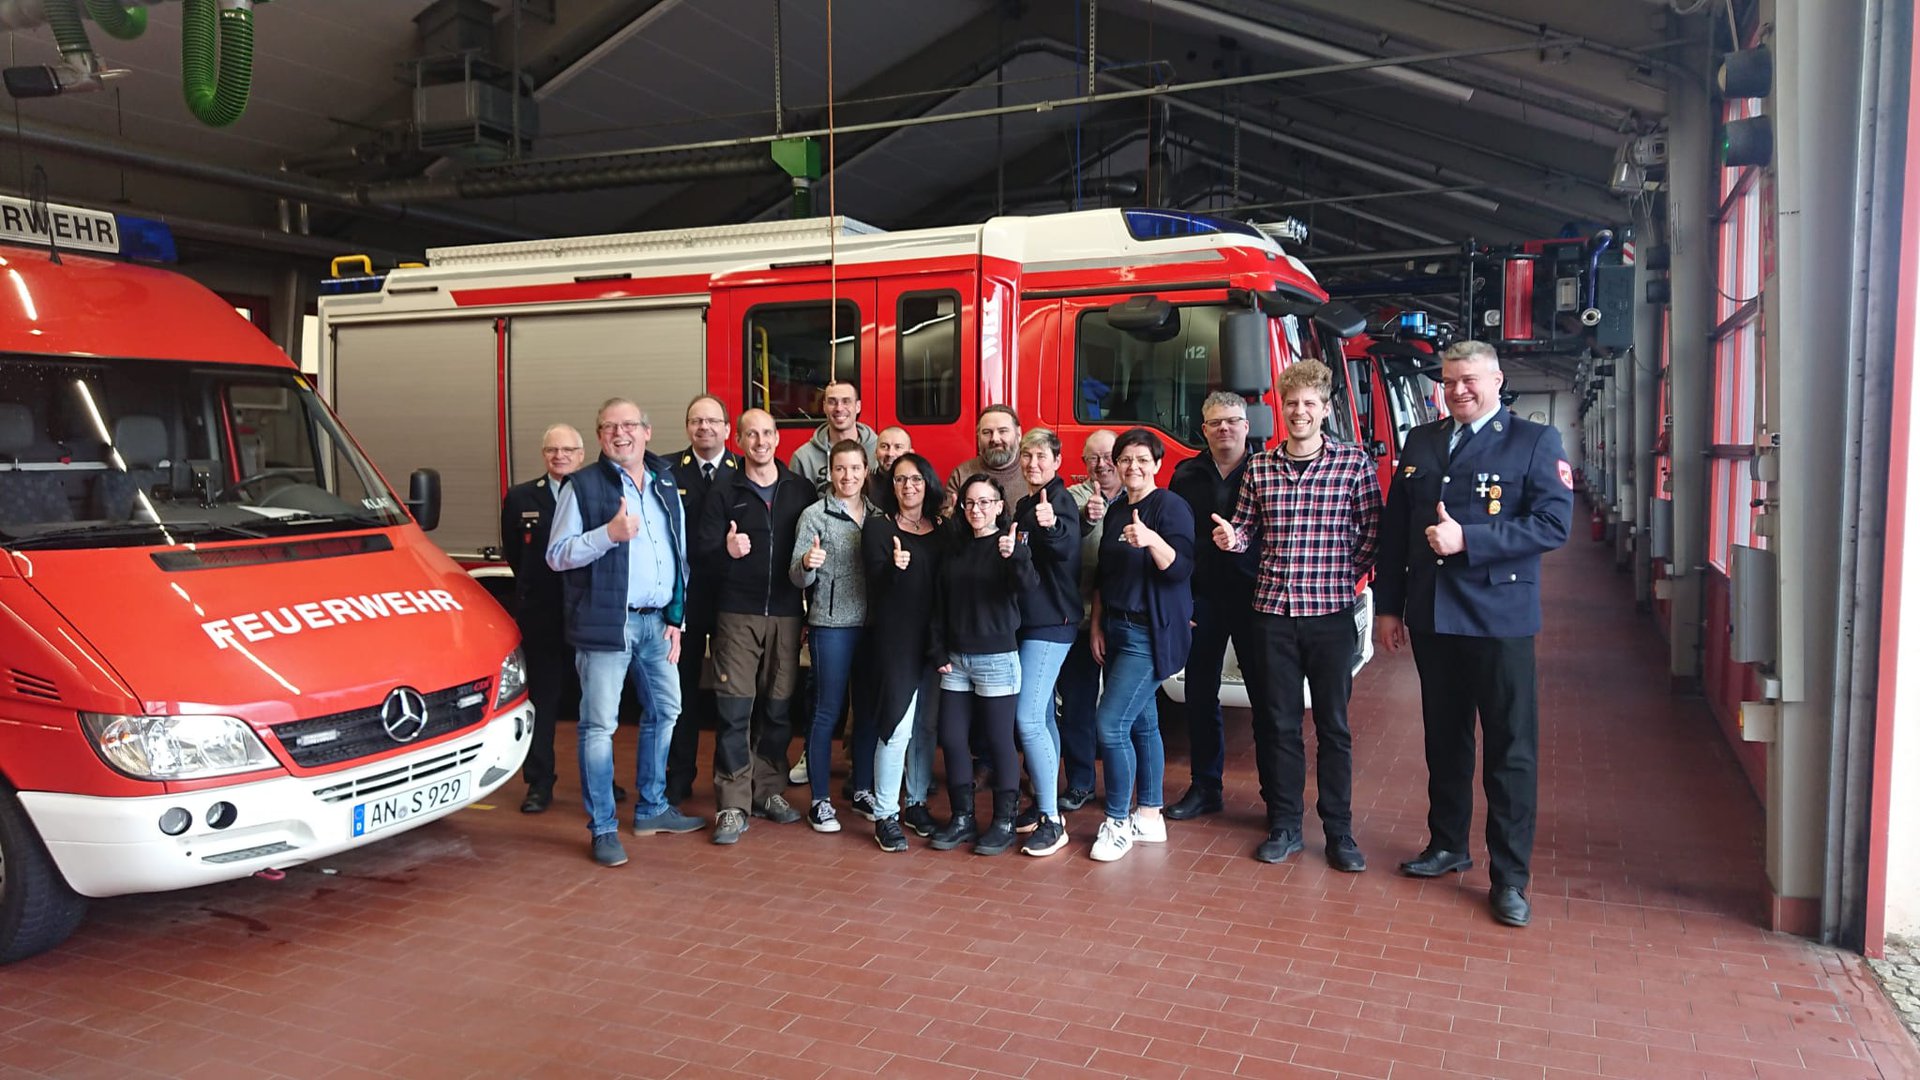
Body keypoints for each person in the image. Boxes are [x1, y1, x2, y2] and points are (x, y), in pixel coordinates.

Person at [1371, 340, 1573, 928]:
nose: (1458, 390)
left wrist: (1472, 542)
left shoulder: (1533, 442)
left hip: (1500, 621)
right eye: (1450, 380)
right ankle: (1447, 844)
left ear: (1496, 380)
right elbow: (1396, 531)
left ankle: (1510, 878)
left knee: (1510, 750)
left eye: (1469, 380)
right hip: (1433, 617)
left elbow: (1553, 522)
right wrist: (1388, 607)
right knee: (1445, 739)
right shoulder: (1423, 440)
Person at [1212, 361, 1382, 869]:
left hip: (1330, 615)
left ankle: (1339, 833)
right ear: (1280, 410)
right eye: (1292, 404)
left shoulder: (1353, 464)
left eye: (1310, 403)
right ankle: (1285, 824)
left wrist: (1336, 574)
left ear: (1325, 409)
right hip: (1272, 615)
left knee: (1334, 727)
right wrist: (1230, 538)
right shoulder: (1261, 467)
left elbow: (1372, 533)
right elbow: (1244, 529)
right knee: (1278, 723)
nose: (1300, 411)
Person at [546, 400, 703, 868]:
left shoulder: (665, 481)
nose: (621, 433)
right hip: (605, 623)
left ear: (647, 432)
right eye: (611, 427)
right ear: (599, 437)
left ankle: (652, 808)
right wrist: (608, 534)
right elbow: (556, 554)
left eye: (630, 425)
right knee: (599, 728)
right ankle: (604, 828)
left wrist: (678, 617)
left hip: (657, 624)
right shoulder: (583, 486)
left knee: (667, 710)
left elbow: (678, 554)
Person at [694, 408, 816, 844]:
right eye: (751, 434)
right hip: (736, 615)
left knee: (779, 709)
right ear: (739, 440)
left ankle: (767, 791)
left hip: (786, 613)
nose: (760, 441)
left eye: (767, 433)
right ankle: (731, 803)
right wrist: (725, 547)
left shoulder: (799, 490)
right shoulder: (725, 491)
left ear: (778, 438)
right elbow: (702, 552)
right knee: (734, 709)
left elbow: (812, 552)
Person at [1087, 428, 1193, 863]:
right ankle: (1149, 816)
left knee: (1109, 725)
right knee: (1142, 725)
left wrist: (1152, 541)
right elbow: (1103, 577)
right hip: (1115, 628)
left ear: (1157, 464)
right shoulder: (1116, 511)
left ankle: (1116, 822)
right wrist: (1097, 626)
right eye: (1124, 459)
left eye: (1141, 459)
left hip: (1149, 634)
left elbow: (1182, 567)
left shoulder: (1169, 506)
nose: (1132, 467)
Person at [929, 474, 1038, 855]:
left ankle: (1004, 822)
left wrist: (1017, 555)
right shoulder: (954, 548)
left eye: (985, 502)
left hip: (996, 658)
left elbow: (1027, 588)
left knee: (998, 741)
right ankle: (962, 818)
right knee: (953, 739)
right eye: (970, 503)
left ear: (998, 506)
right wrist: (938, 650)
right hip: (955, 660)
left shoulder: (1007, 545)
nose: (977, 510)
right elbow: (939, 604)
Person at [1167, 392, 1261, 822]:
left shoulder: (1268, 470)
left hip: (1258, 599)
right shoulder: (1185, 475)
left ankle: (1277, 797)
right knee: (1200, 694)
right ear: (1203, 429)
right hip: (1202, 598)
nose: (1225, 428)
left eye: (1233, 420)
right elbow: (1174, 540)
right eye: (1216, 422)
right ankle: (1206, 787)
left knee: (1267, 698)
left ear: (1247, 425)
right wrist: (1180, 598)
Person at [790, 440, 879, 833]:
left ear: (866, 471)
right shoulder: (815, 515)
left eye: (855, 469)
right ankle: (820, 799)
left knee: (867, 712)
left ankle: (861, 789)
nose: (848, 476)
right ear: (830, 471)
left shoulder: (877, 515)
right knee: (827, 711)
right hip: (831, 625)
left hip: (871, 627)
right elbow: (797, 575)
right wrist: (807, 564)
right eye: (840, 469)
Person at [861, 452, 946, 851]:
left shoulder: (943, 529)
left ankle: (915, 803)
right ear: (890, 486)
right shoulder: (878, 529)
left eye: (915, 479)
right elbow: (876, 587)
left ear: (927, 482)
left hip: (935, 640)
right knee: (896, 728)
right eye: (899, 480)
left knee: (926, 728)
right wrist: (895, 567)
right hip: (896, 640)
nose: (908, 486)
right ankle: (885, 815)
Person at [499, 423, 585, 815]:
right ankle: (539, 782)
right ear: (543, 454)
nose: (560, 456)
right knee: (543, 704)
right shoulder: (520, 498)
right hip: (542, 617)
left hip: (586, 615)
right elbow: (516, 555)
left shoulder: (594, 491)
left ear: (581, 455)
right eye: (553, 450)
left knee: (594, 707)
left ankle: (599, 781)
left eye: (568, 450)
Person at [665, 395, 740, 807]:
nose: (705, 428)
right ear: (687, 427)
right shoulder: (666, 470)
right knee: (680, 691)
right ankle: (678, 778)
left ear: (728, 429)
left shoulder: (745, 471)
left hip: (731, 598)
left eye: (713, 421)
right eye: (697, 421)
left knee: (733, 694)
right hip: (685, 598)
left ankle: (731, 783)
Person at [1007, 429, 1078, 857]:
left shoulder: (1058, 502)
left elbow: (1066, 543)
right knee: (1044, 718)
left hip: (1052, 624)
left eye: (1041, 456)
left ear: (1057, 460)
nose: (1033, 463)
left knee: (1027, 718)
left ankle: (1052, 819)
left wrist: (1051, 529)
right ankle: (1044, 807)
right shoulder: (1024, 504)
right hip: (1028, 623)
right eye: (1027, 456)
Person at [1059, 429, 1121, 811]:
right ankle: (1080, 783)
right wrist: (1083, 518)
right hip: (1079, 620)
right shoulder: (1070, 500)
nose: (1102, 465)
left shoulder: (1140, 498)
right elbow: (1062, 539)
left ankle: (1120, 786)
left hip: (1126, 625)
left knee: (1122, 715)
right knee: (1078, 707)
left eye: (1109, 455)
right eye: (1092, 458)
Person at [788, 380, 877, 495]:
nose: (839, 408)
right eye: (832, 402)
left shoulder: (879, 451)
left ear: (858, 406)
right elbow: (794, 503)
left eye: (846, 401)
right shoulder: (803, 458)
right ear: (824, 406)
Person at [945, 405, 1029, 506]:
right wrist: (950, 518)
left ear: (1018, 434)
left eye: (1003, 431)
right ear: (978, 437)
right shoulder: (962, 474)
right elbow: (945, 515)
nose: (995, 439)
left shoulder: (1034, 471)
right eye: (987, 432)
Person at [869, 426, 912, 503]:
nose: (890, 453)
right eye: (884, 446)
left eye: (898, 447)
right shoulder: (865, 485)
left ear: (910, 454)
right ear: (875, 452)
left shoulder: (920, 487)